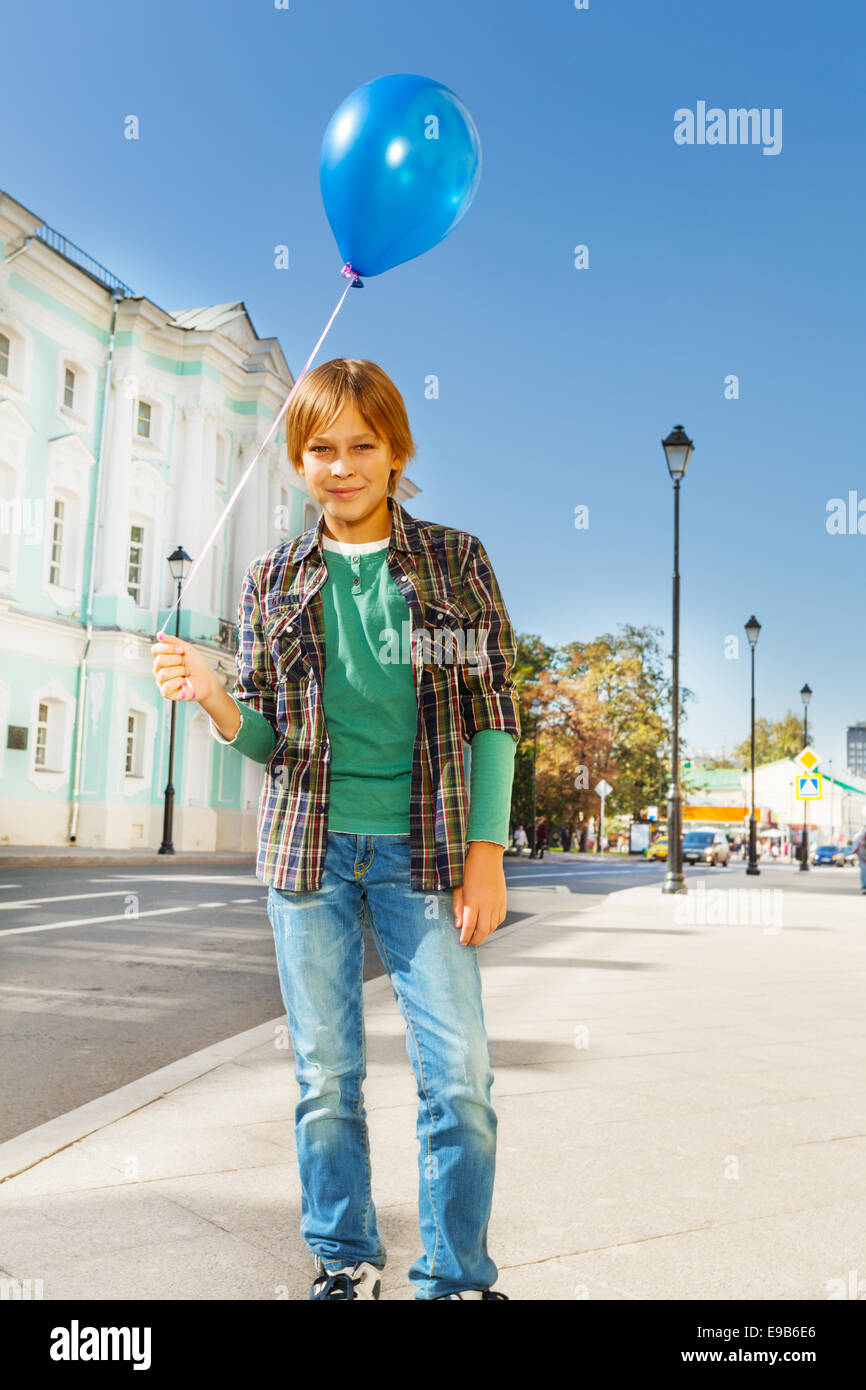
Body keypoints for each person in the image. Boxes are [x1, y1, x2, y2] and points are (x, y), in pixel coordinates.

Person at [151, 359, 520, 1301]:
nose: (342, 465)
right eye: (323, 448)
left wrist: (486, 853)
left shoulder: (455, 560)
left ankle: (455, 1276)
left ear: (398, 453)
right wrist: (214, 697)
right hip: (306, 853)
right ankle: (344, 1259)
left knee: (462, 1081)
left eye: (364, 445)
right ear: (297, 460)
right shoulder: (275, 576)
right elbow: (274, 740)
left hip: (426, 853)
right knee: (326, 1079)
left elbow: (492, 713)